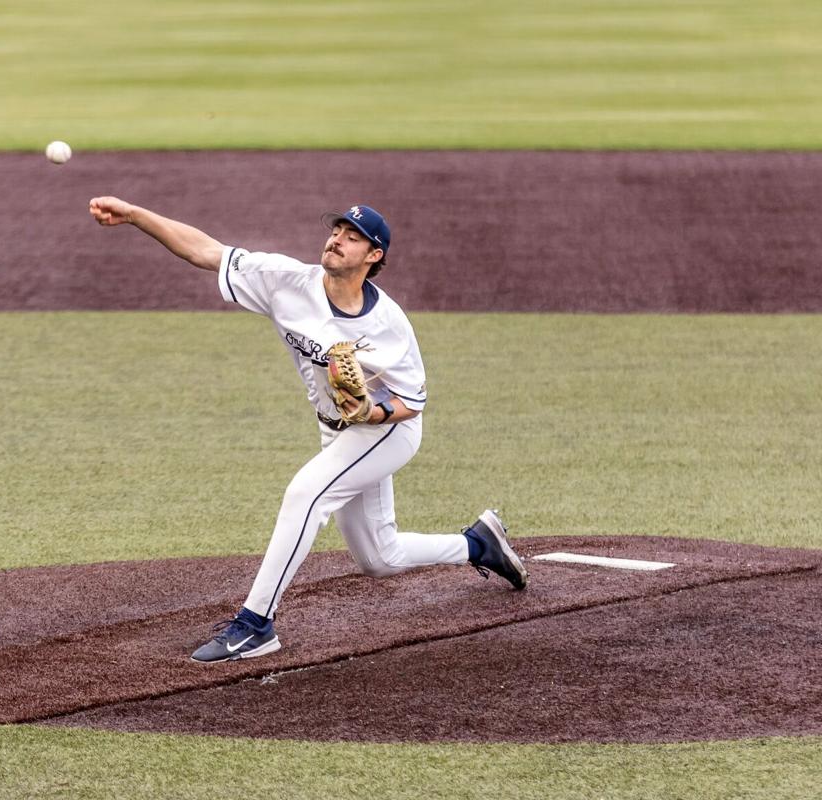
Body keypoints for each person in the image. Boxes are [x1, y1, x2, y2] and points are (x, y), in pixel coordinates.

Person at [88, 197, 528, 663]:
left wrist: (371, 414)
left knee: (306, 494)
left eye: (353, 237)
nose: (337, 239)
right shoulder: (286, 281)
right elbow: (207, 252)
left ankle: (255, 624)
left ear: (374, 256)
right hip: (335, 431)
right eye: (337, 230)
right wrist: (137, 216)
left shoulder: (389, 325)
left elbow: (412, 403)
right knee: (380, 556)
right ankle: (479, 544)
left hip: (385, 434)